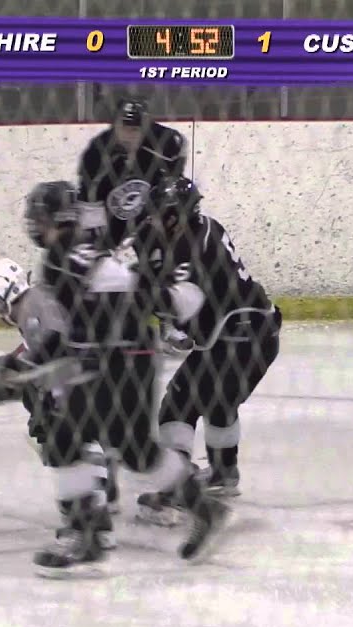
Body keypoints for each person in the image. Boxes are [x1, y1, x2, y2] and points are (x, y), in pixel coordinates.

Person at [0, 181, 230, 577]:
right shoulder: (74, 254)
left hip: (124, 361)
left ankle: (89, 534)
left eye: (39, 218)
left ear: (56, 220)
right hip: (121, 357)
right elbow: (77, 330)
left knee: (76, 441)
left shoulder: (67, 260)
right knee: (128, 451)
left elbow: (84, 326)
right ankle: (196, 508)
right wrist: (26, 367)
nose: (33, 225)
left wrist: (25, 369)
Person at [130, 177, 282, 527]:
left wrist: (137, 297)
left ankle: (174, 492)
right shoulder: (203, 228)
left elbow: (175, 299)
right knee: (218, 404)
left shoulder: (194, 249)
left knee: (178, 405)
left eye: (158, 214)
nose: (152, 220)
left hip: (238, 342)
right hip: (254, 336)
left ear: (175, 216)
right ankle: (223, 473)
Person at [0, 257, 121, 521]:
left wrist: (19, 369)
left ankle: (97, 498)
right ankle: (99, 488)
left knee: (64, 426)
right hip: (92, 370)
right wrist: (12, 365)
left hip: (91, 373)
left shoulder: (33, 304)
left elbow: (54, 338)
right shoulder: (33, 303)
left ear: (3, 296)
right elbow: (39, 349)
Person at [77, 97, 192, 353]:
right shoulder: (96, 154)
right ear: (114, 125)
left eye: (136, 128)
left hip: (147, 214)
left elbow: (179, 150)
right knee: (97, 271)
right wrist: (96, 243)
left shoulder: (163, 143)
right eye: (125, 127)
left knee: (160, 261)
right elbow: (88, 204)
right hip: (109, 220)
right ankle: (94, 325)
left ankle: (168, 323)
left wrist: (165, 205)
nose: (130, 134)